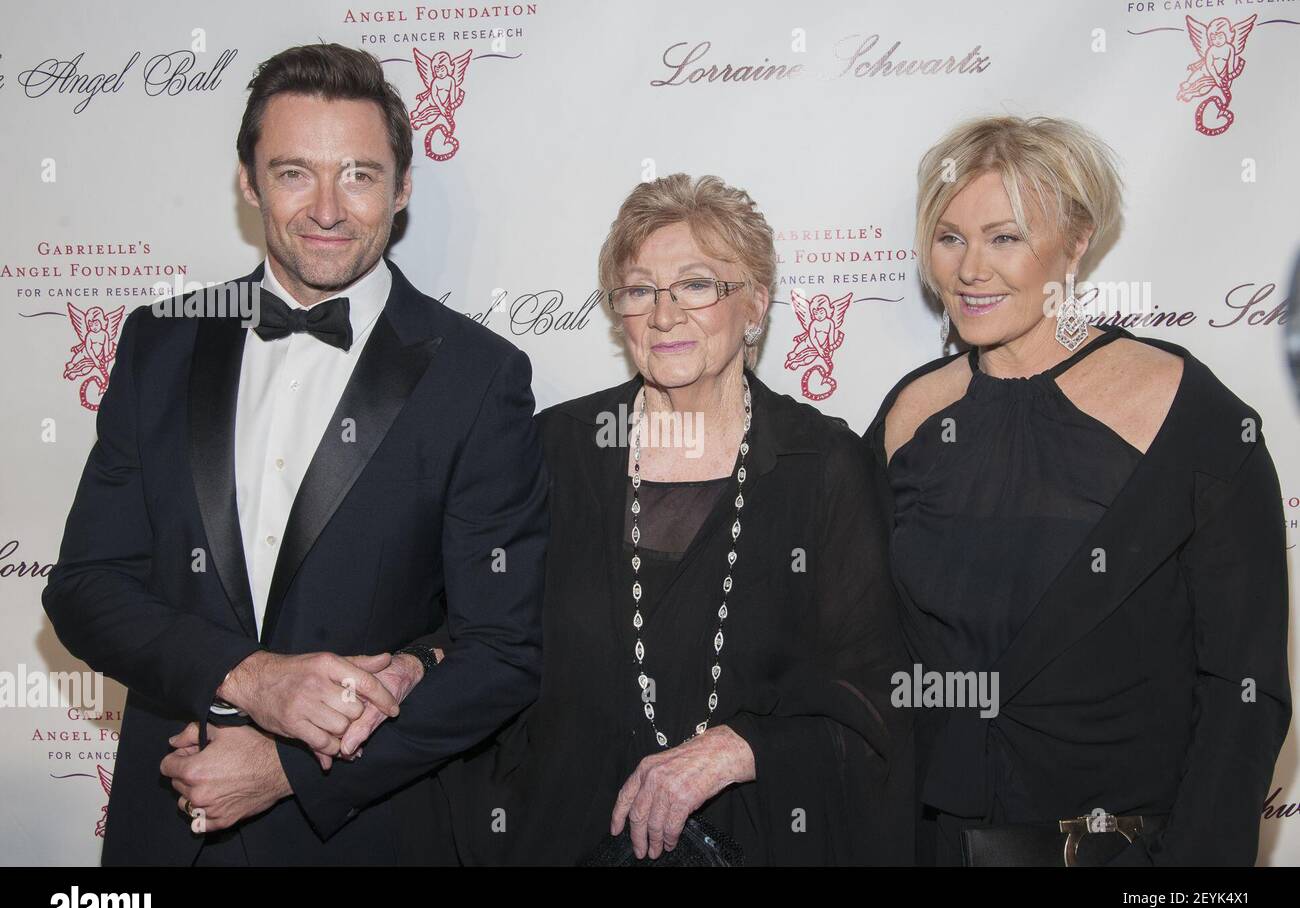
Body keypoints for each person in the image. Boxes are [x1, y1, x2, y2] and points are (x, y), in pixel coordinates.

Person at [41, 43, 548, 865]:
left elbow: (500, 655)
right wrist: (250, 676)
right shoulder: (158, 345)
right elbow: (85, 588)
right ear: (248, 182)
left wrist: (288, 770)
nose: (327, 208)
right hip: (166, 831)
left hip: (361, 834)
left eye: (358, 174)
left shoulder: (477, 378)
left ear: (403, 187)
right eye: (292, 173)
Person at [419, 173, 912, 865]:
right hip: (558, 836)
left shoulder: (823, 464)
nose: (663, 314)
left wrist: (745, 747)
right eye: (640, 289)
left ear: (756, 305)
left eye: (697, 285)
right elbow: (479, 626)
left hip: (759, 839)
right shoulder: (554, 449)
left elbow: (877, 696)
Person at [863, 115, 1290, 865]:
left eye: (1005, 237)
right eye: (950, 236)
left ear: (1077, 242)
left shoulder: (1193, 416)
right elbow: (859, 649)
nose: (970, 268)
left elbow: (1243, 692)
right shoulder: (909, 416)